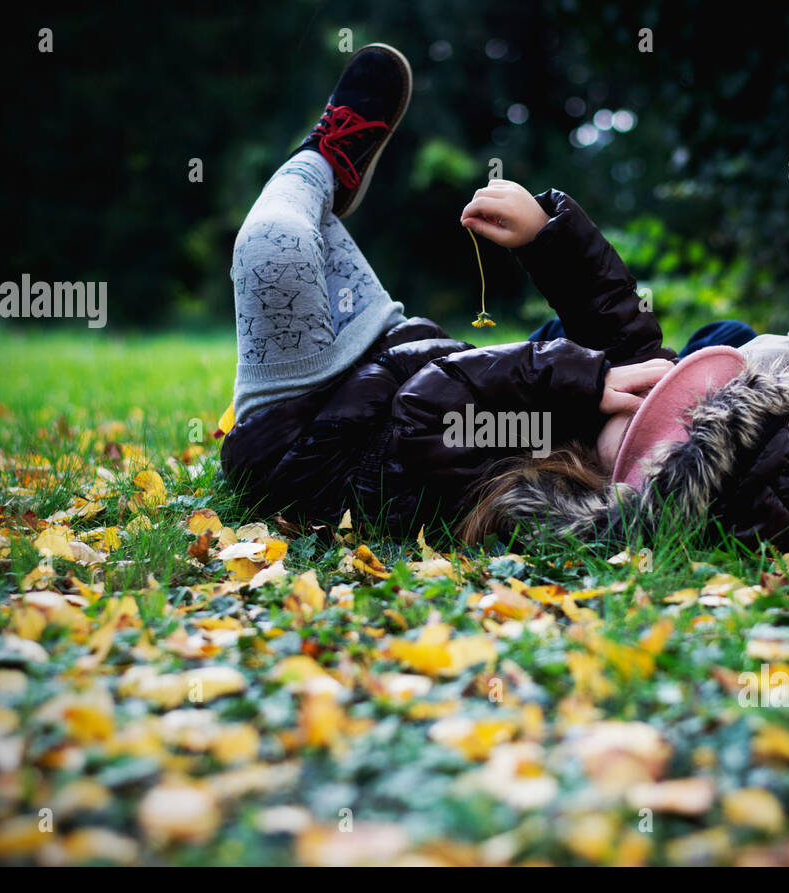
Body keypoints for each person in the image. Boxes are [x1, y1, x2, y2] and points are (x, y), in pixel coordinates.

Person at [219, 44, 673, 535]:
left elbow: (427, 410)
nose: (647, 406)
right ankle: (331, 169)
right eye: (666, 401)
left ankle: (317, 163)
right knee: (315, 225)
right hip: (383, 356)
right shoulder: (610, 410)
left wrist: (580, 381)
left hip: (300, 443)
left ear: (632, 483)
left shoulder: (551, 490)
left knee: (275, 242)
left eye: (654, 431)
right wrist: (546, 233)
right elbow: (621, 331)